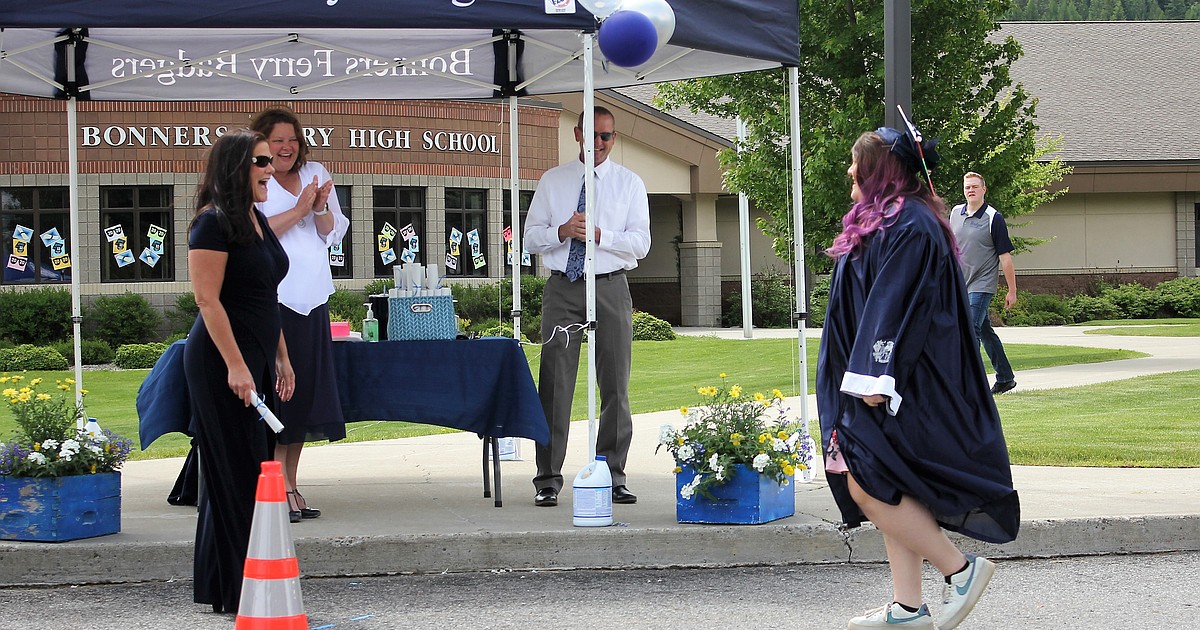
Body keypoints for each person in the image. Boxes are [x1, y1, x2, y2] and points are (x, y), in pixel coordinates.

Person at [816, 128, 1020, 630]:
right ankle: (908, 608)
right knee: (890, 483)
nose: (849, 172)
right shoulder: (891, 219)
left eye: (855, 163)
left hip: (893, 382)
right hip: (879, 377)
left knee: (866, 480)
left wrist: (872, 378)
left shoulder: (908, 224)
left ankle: (960, 570)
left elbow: (895, 305)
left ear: (880, 171)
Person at [184, 128, 295, 614]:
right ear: (236, 168)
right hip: (219, 362)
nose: (271, 169)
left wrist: (281, 356)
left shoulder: (257, 218)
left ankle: (221, 583)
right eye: (262, 162)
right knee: (237, 472)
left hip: (253, 356)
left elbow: (265, 295)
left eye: (270, 160)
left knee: (242, 469)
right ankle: (237, 589)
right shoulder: (212, 224)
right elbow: (208, 299)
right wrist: (235, 366)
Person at [523, 106, 651, 507]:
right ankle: (547, 478)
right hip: (563, 288)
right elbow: (529, 238)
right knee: (556, 383)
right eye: (591, 135)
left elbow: (641, 243)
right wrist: (562, 231)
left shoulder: (629, 184)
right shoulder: (553, 181)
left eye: (606, 137)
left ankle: (611, 473)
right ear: (577, 134)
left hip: (610, 286)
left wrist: (600, 234)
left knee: (615, 382)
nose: (598, 143)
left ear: (615, 139)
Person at [250, 107, 349, 523]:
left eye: (291, 139)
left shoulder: (316, 171)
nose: (286, 147)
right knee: (279, 397)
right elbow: (257, 231)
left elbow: (332, 231)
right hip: (274, 301)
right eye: (277, 140)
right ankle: (273, 490)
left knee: (304, 399)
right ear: (261, 143)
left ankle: (291, 483)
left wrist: (321, 207)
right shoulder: (253, 180)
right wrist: (302, 208)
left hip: (313, 299)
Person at [950, 172, 1018, 394]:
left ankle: (970, 385)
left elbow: (1005, 257)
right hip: (961, 284)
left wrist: (1011, 290)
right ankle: (1006, 377)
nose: (971, 190)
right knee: (985, 330)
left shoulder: (993, 217)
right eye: (967, 187)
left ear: (983, 190)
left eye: (975, 187)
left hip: (982, 284)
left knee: (971, 330)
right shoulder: (954, 214)